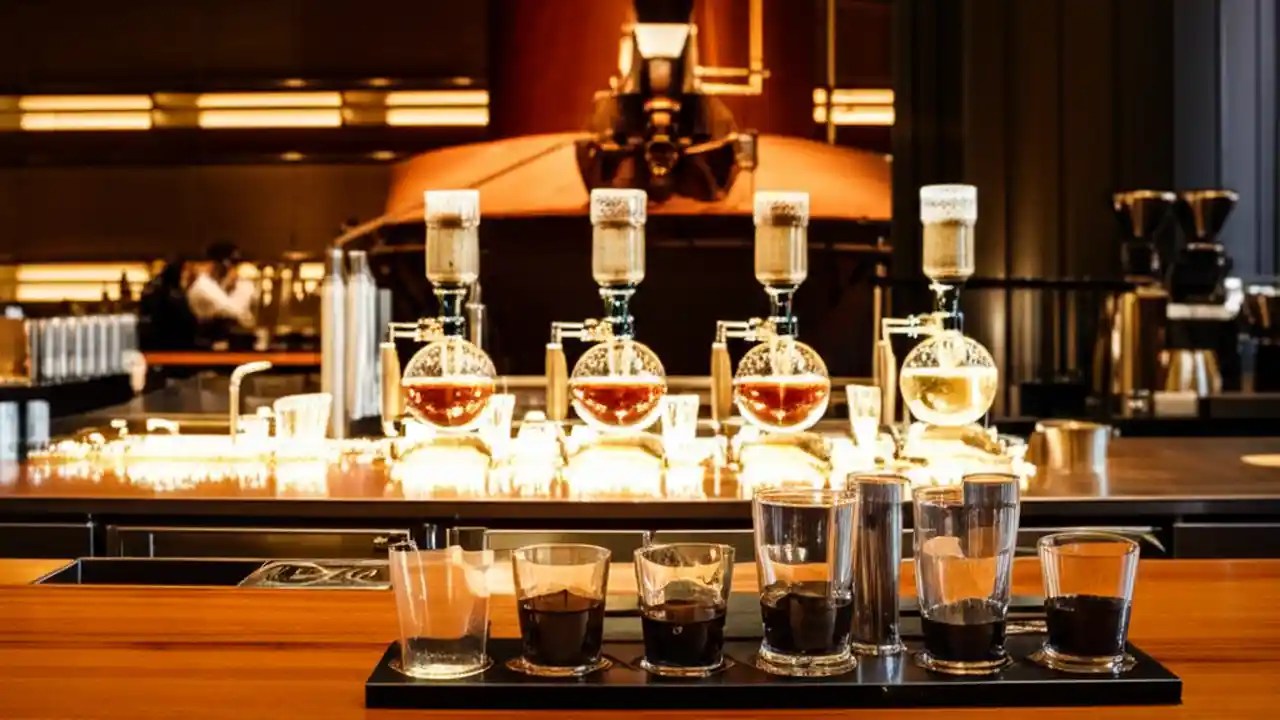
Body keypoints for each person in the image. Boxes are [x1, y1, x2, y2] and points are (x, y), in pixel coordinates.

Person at [186, 241, 255, 330]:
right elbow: (233, 312)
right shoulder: (204, 286)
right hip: (208, 338)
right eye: (232, 264)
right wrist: (244, 285)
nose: (234, 269)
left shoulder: (215, 285)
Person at [138, 257, 198, 350]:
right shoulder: (176, 298)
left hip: (154, 347)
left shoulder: (152, 292)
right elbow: (188, 325)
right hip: (176, 347)